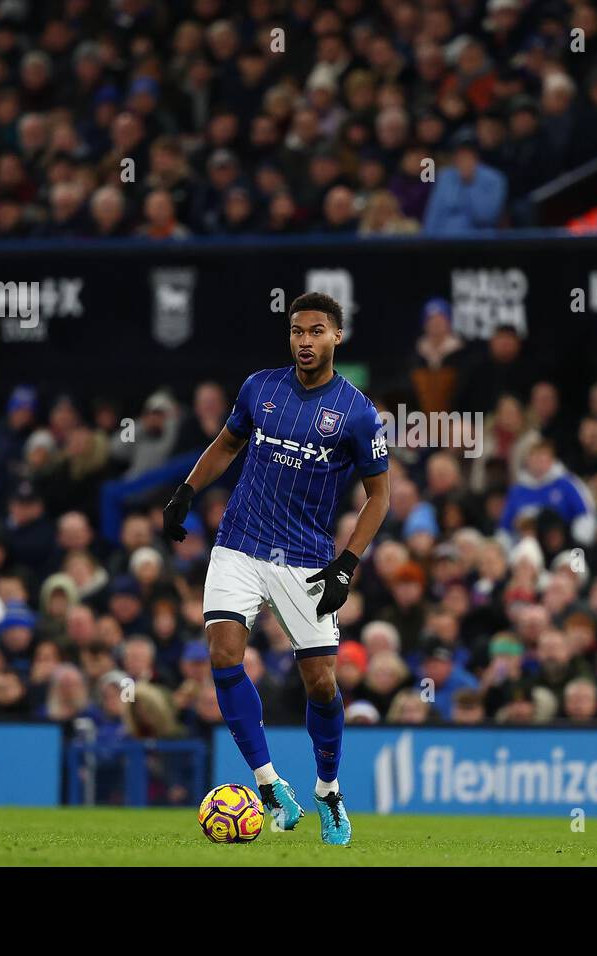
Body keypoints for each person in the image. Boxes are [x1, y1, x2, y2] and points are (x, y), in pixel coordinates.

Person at [160, 292, 391, 846]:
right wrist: (187, 492)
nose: (304, 342)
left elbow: (380, 497)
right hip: (240, 543)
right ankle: (268, 787)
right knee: (222, 653)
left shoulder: (357, 412)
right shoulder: (259, 388)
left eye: (316, 331)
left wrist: (346, 566)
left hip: (308, 560)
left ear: (338, 336)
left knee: (321, 682)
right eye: (296, 331)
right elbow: (227, 443)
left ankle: (328, 791)